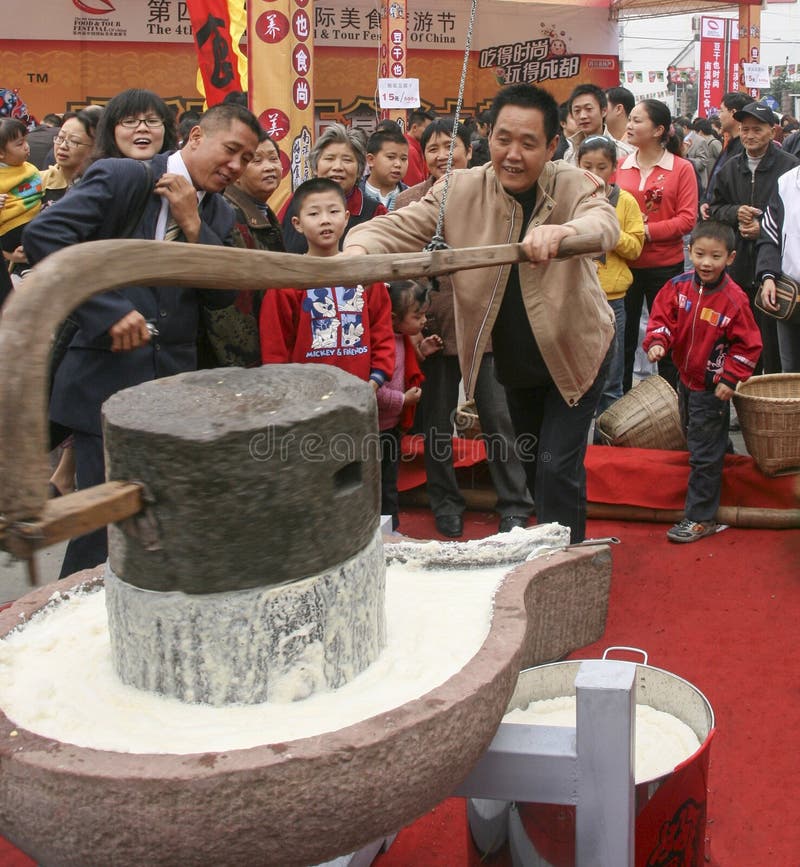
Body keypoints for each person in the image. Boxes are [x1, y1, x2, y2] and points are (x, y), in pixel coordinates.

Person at [343, 83, 619, 543]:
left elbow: (603, 224)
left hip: (576, 355)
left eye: (529, 143)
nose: (513, 154)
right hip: (514, 362)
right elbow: (401, 226)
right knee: (537, 468)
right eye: (503, 138)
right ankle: (566, 544)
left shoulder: (573, 181)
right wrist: (357, 247)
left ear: (551, 146)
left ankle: (565, 566)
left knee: (555, 469)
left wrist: (564, 233)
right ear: (487, 135)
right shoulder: (461, 188)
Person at [22, 102, 261, 577]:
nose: (237, 167)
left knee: (155, 518)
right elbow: (45, 236)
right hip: (104, 382)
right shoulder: (122, 177)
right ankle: (73, 620)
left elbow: (224, 294)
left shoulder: (214, 207)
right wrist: (108, 310)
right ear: (194, 138)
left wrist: (193, 224)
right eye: (231, 150)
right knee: (102, 528)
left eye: (247, 159)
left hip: (171, 392)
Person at [395, 118, 534, 537]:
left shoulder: (491, 197)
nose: (442, 155)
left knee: (498, 417)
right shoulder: (408, 203)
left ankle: (514, 502)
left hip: (486, 321)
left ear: (468, 150)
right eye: (432, 148)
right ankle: (445, 501)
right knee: (436, 420)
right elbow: (401, 274)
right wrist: (412, 331)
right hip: (431, 325)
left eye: (449, 146)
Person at [643, 221, 761, 543]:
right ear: (689, 252)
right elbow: (661, 319)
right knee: (696, 435)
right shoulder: (677, 287)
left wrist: (732, 379)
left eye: (715, 256)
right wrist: (657, 341)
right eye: (699, 254)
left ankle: (701, 517)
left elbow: (749, 345)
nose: (706, 263)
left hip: (713, 388)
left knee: (702, 453)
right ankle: (724, 462)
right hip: (685, 380)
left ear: (730, 258)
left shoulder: (735, 300)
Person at [260, 177, 394, 389]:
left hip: (360, 390)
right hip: (302, 396)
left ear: (347, 217)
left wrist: (376, 378)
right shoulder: (288, 279)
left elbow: (382, 329)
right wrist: (283, 388)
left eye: (333, 211)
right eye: (314, 214)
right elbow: (275, 344)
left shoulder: (364, 274)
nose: (325, 220)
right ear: (297, 224)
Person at [709, 102, 799, 374]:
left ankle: (771, 403)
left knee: (774, 345)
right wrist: (737, 213)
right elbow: (714, 209)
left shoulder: (789, 169)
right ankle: (745, 400)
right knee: (740, 338)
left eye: (756, 129)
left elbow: (786, 221)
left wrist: (765, 228)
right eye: (745, 129)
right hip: (740, 265)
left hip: (776, 274)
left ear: (772, 132)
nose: (749, 135)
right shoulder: (730, 167)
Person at [616, 98, 699, 391]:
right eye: (631, 119)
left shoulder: (681, 168)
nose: (630, 125)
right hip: (623, 266)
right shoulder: (620, 166)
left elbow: (687, 219)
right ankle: (619, 408)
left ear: (658, 130)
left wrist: (644, 231)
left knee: (667, 339)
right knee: (622, 343)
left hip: (665, 267)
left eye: (637, 120)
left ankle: (667, 406)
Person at [199, 131, 286, 369]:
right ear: (236, 173)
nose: (269, 167)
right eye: (256, 161)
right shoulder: (229, 215)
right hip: (239, 362)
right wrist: (247, 364)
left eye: (273, 158)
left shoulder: (263, 212)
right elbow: (231, 307)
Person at [577, 135, 645, 430]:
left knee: (612, 376)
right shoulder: (571, 198)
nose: (593, 173)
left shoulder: (625, 201)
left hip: (612, 297)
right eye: (586, 165)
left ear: (613, 168)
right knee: (577, 374)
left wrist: (610, 232)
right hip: (577, 297)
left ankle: (608, 440)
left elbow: (635, 248)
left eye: (601, 166)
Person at [376, 280, 438, 532]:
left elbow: (405, 369)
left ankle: (391, 529)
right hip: (376, 428)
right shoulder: (381, 344)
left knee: (390, 482)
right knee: (377, 484)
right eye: (417, 316)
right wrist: (403, 400)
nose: (423, 321)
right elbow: (375, 389)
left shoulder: (402, 338)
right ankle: (378, 531)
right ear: (392, 318)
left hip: (391, 427)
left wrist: (422, 349)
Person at [280, 123, 387, 254]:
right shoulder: (296, 201)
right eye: (329, 158)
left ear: (359, 170)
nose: (337, 167)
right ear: (315, 167)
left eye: (347, 160)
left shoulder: (375, 212)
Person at [757, 163, 800, 372]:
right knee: (791, 370)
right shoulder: (786, 182)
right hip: (792, 294)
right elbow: (770, 235)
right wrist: (768, 277)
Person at [0, 118, 43, 304]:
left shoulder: (29, 169)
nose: (27, 147)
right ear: (1, 153)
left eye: (26, 140)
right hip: (10, 229)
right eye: (20, 144)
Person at [90, 88, 178, 163]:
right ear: (111, 130)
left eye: (152, 121)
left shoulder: (184, 175)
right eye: (130, 121)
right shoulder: (96, 179)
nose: (142, 128)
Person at [700, 91, 750, 219]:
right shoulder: (731, 144)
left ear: (733, 113)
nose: (719, 116)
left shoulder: (746, 150)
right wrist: (706, 201)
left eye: (721, 111)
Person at [562, 83, 633, 166]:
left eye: (588, 109)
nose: (583, 116)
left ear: (603, 111)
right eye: (577, 111)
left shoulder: (623, 153)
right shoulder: (569, 155)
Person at [363, 125, 408, 211]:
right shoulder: (354, 195)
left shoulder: (413, 197)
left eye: (403, 159)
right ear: (371, 160)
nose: (398, 164)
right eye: (391, 157)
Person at [403, 108, 437, 187]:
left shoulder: (417, 146)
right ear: (414, 127)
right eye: (427, 129)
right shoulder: (410, 150)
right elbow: (413, 184)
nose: (430, 133)